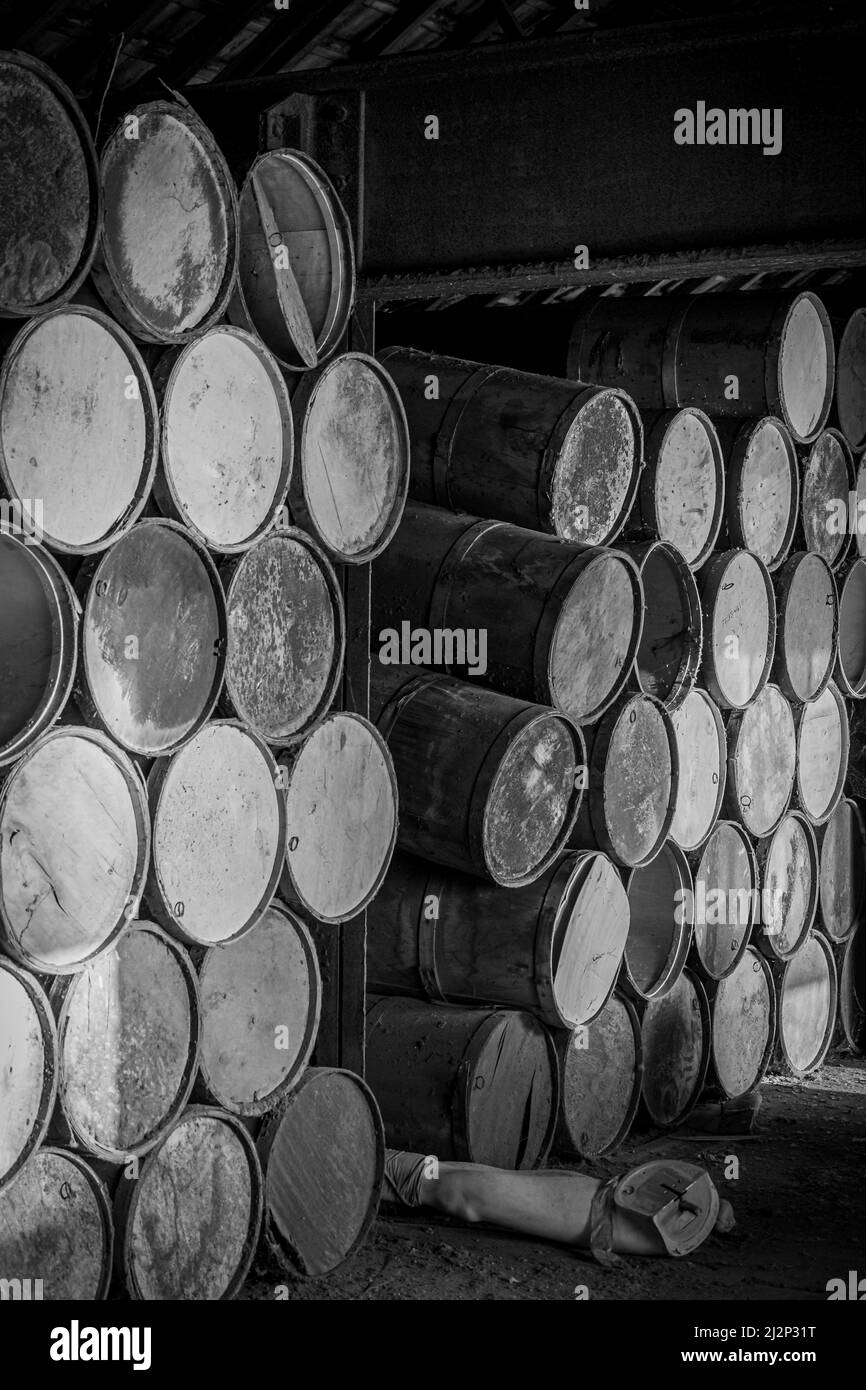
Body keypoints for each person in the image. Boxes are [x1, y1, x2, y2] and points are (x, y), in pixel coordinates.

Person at [381, 1149, 735, 1263]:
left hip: (596, 1214)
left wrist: (713, 1205)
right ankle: (374, 1157)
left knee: (459, 1191)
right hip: (597, 1200)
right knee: (456, 1179)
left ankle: (363, 1165)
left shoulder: (668, 1227)